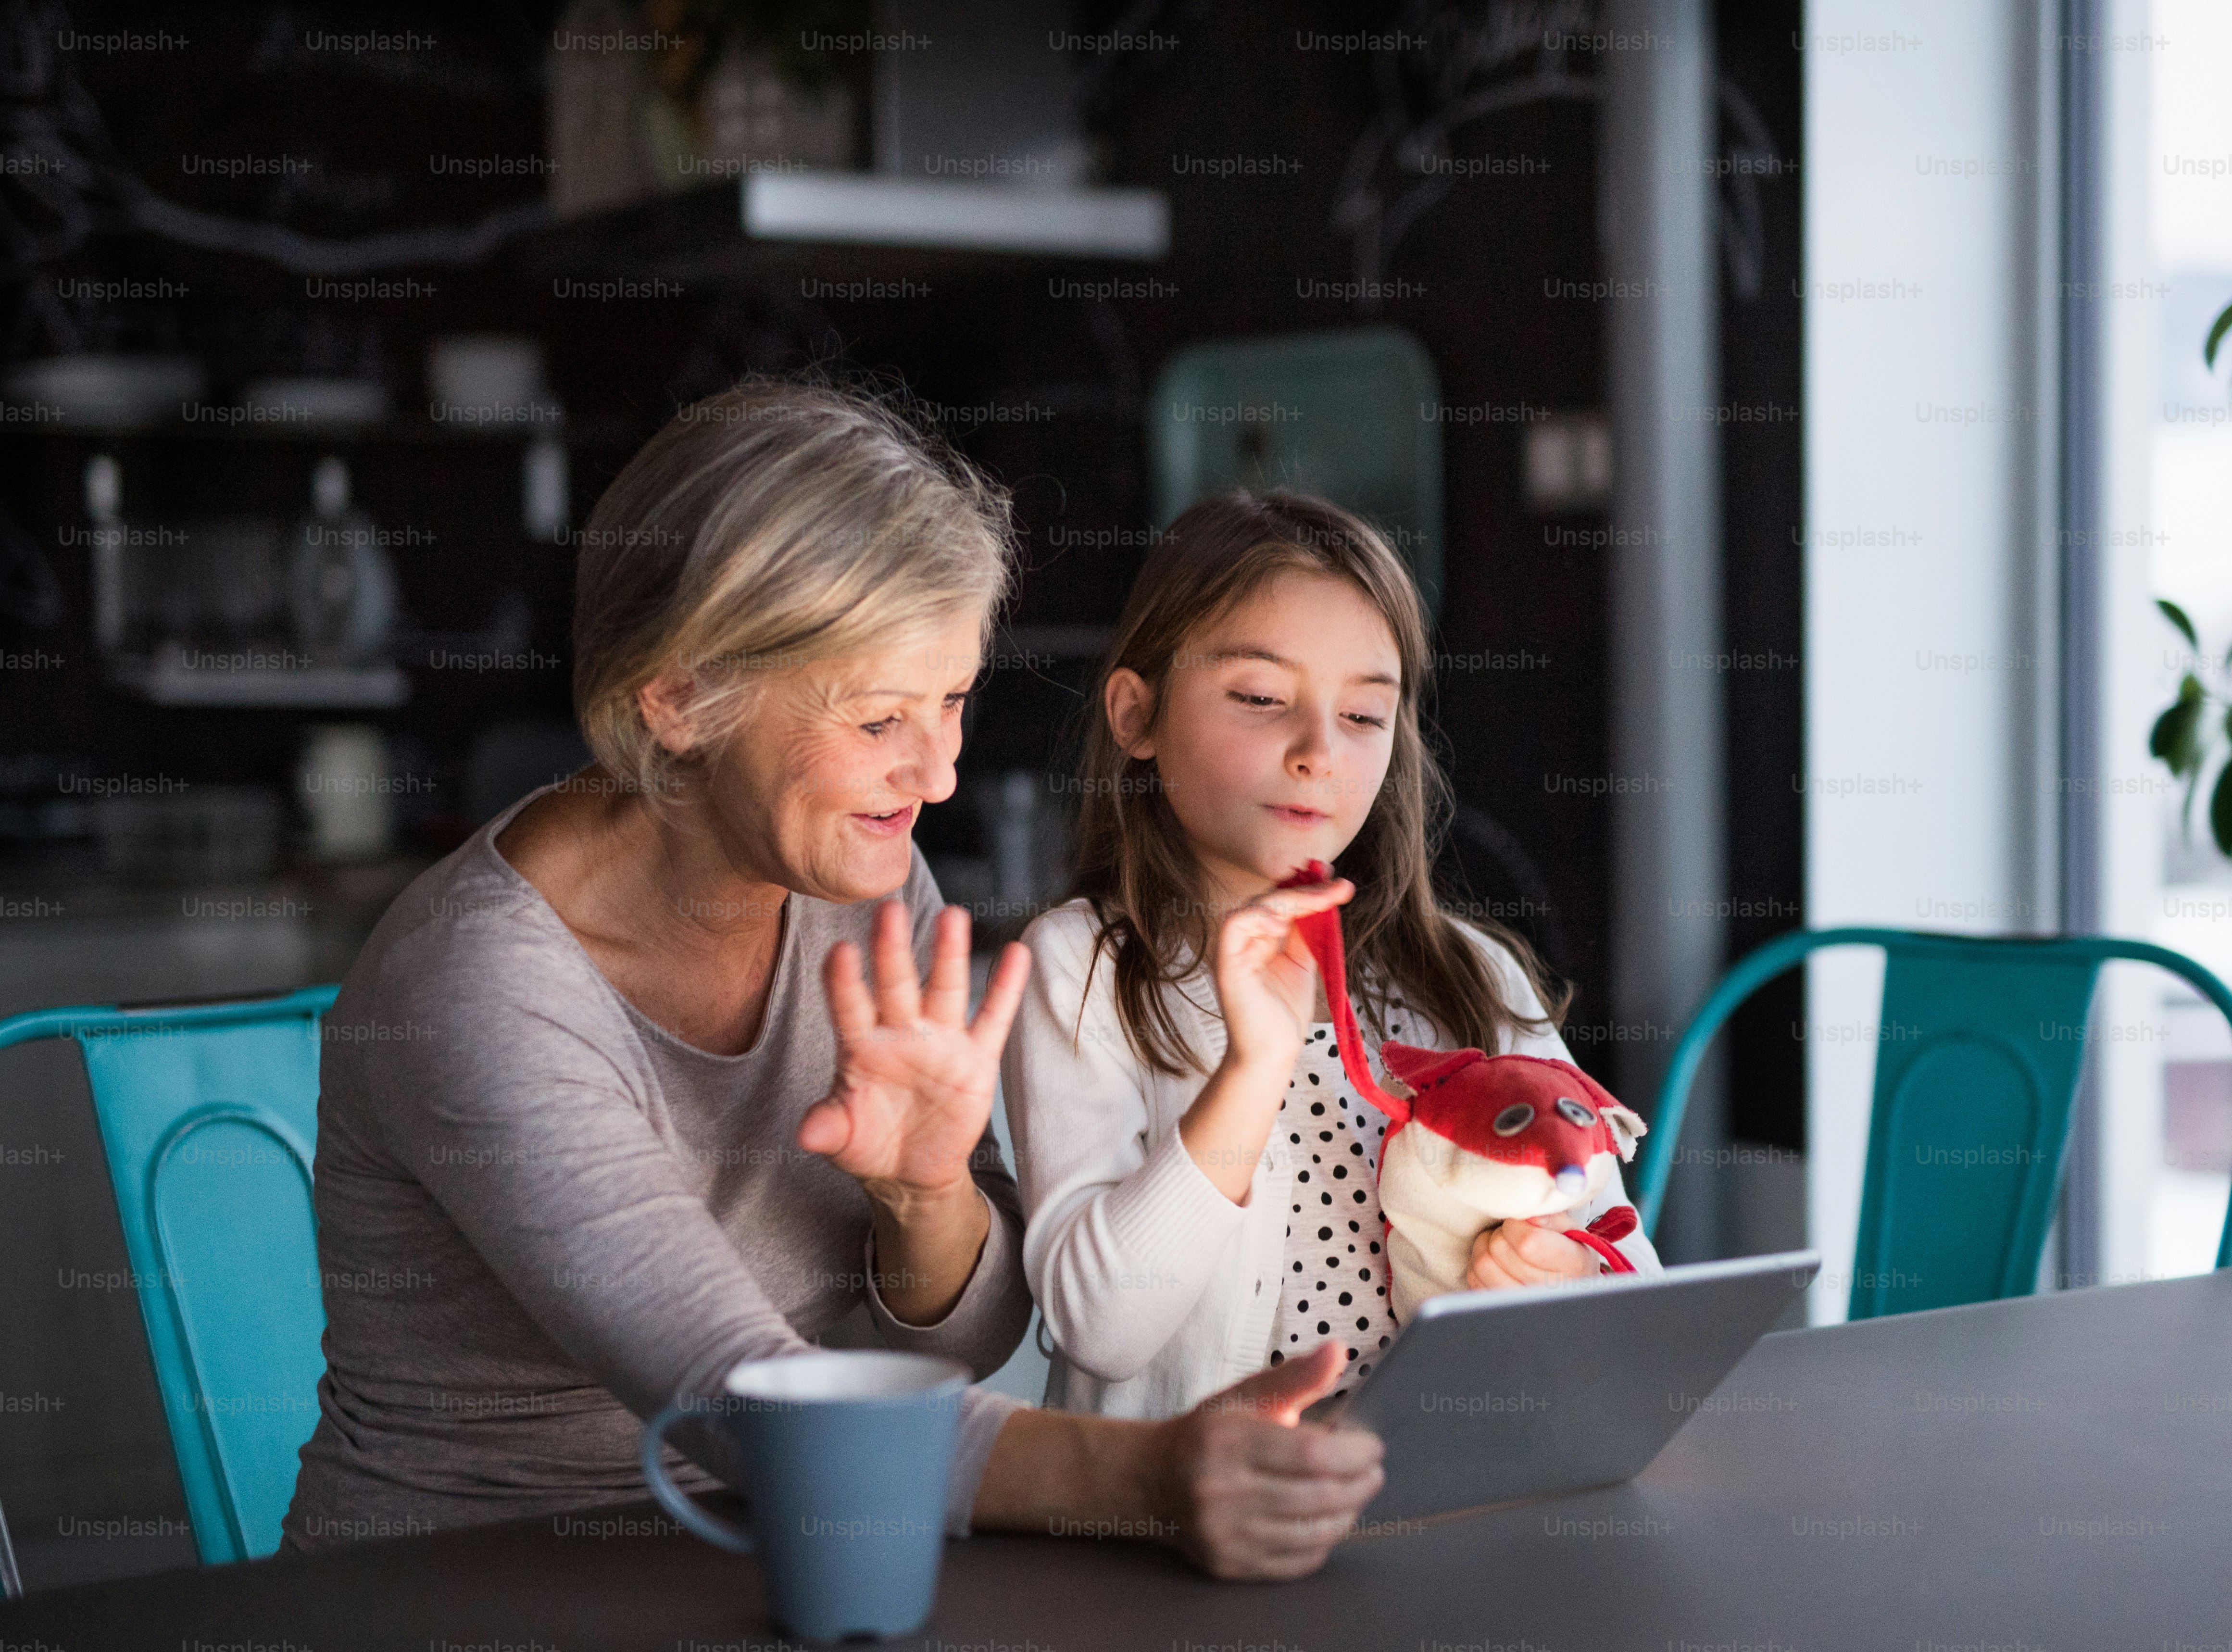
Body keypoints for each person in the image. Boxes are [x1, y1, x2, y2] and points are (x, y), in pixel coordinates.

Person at [280, 382, 1380, 1580]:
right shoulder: (479, 984)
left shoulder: (859, 875)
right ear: (680, 694)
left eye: (954, 699)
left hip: (795, 1551)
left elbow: (969, 1337)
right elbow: (743, 1400)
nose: (941, 772)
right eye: (878, 719)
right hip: (473, 1589)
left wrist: (923, 1196)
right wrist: (1150, 1475)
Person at [1006, 491, 1659, 1420]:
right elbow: (1099, 1329)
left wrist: (1557, 1278)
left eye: (1363, 717)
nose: (1318, 750)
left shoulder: (1468, 975)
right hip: (1206, 1520)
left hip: (1437, 1496)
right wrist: (1255, 1066)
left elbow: (1628, 1271)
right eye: (1262, 699)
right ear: (1136, 716)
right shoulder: (1082, 970)